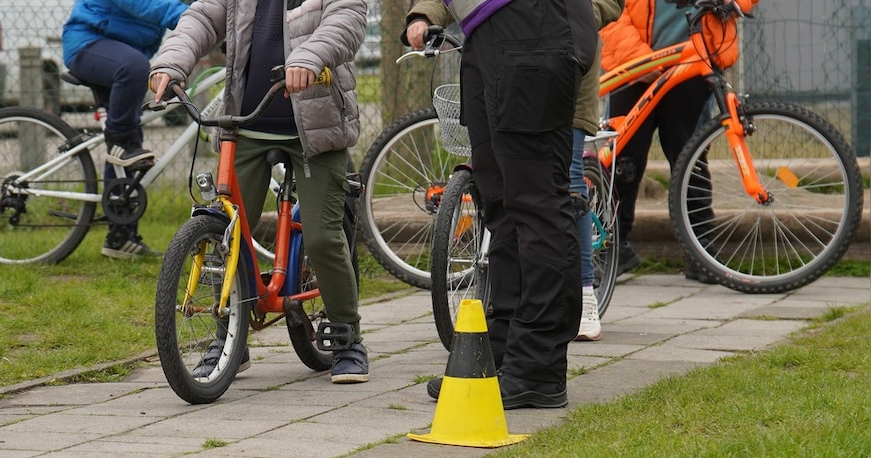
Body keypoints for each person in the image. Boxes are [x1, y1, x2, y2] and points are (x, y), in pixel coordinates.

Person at [148, 0, 371, 384]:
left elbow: (346, 21)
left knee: (321, 237)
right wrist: (171, 63)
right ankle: (230, 337)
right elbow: (201, 18)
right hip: (245, 124)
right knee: (227, 233)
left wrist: (310, 57)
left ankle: (347, 336)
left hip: (315, 131)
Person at [406, 0, 596, 409]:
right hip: (484, 34)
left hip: (533, 27)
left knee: (536, 203)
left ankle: (538, 366)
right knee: (500, 204)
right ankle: (506, 344)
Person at [601, 0, 717, 282]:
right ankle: (612, 247)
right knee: (622, 161)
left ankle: (701, 250)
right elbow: (608, 10)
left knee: (691, 160)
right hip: (632, 65)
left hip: (692, 62)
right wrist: (640, 58)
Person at [62, 0, 188, 260]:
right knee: (134, 72)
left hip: (122, 52)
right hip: (89, 43)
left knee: (131, 138)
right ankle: (121, 141)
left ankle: (120, 237)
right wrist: (190, 17)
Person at [572, 0, 625, 342]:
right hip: (506, 66)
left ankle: (584, 293)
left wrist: (575, 13)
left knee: (569, 180)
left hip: (571, 67)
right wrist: (426, 15)